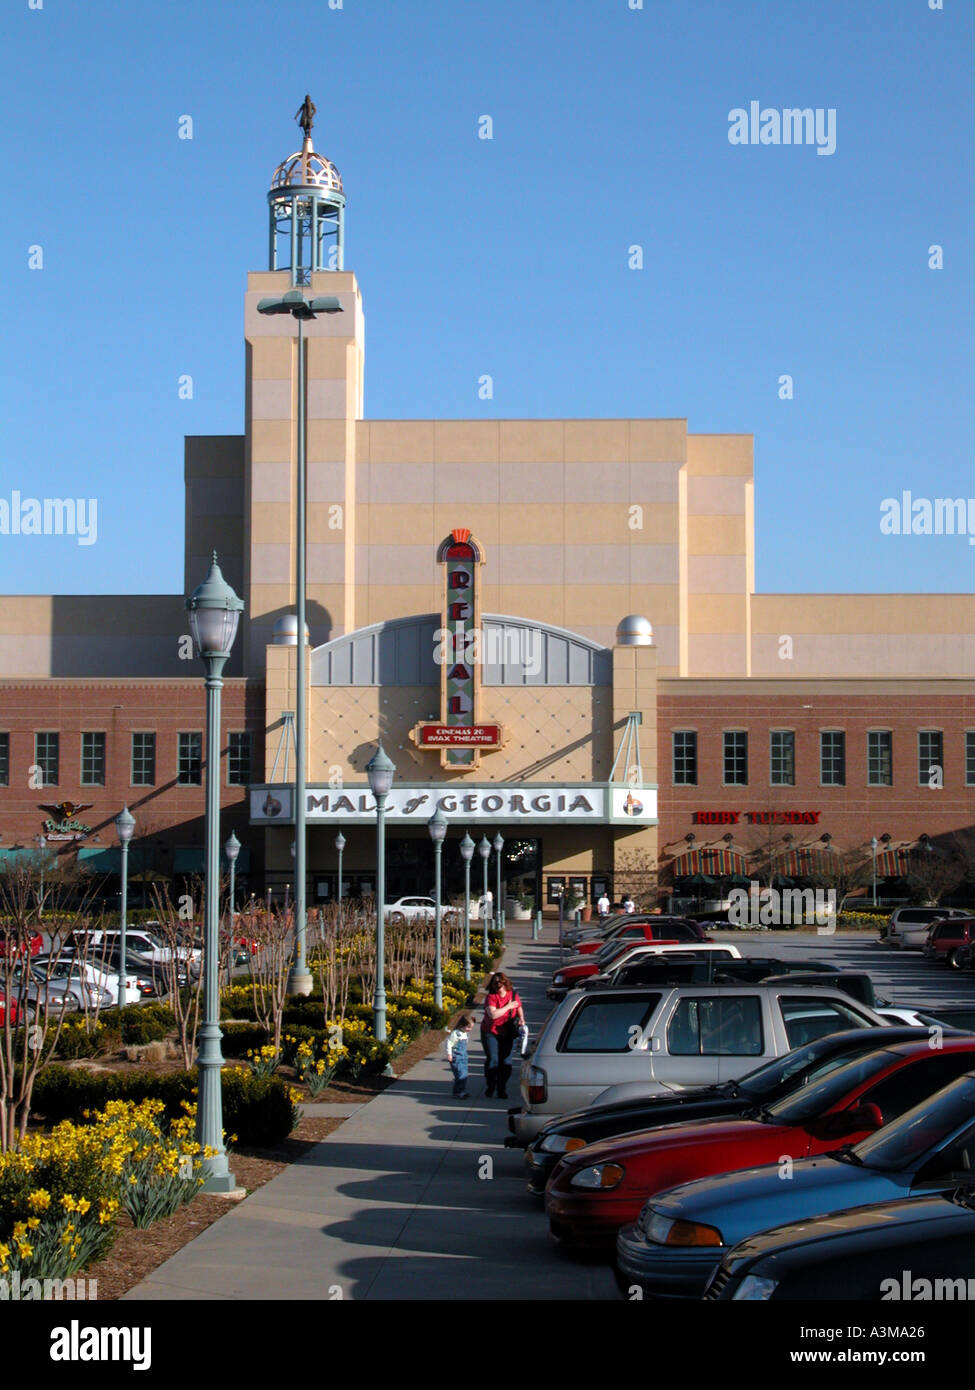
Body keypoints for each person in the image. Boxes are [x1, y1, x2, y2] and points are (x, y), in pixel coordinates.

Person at [480, 971, 525, 1099]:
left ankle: (502, 1087)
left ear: (506, 984)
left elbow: (519, 1007)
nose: (498, 986)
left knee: (506, 1062)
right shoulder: (491, 997)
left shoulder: (513, 995)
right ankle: (491, 1085)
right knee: (493, 1059)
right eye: (495, 984)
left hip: (508, 1032)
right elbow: (493, 1015)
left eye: (500, 983)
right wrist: (508, 1006)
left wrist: (521, 1018)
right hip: (491, 1031)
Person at [445, 1014, 474, 1098]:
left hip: (463, 1056)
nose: (469, 1029)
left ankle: (461, 1090)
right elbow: (449, 1043)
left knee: (464, 1074)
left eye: (471, 1028)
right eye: (468, 1027)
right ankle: (458, 1091)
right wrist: (449, 1054)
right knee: (461, 1074)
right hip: (456, 1057)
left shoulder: (464, 1033)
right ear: (462, 1025)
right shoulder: (456, 1033)